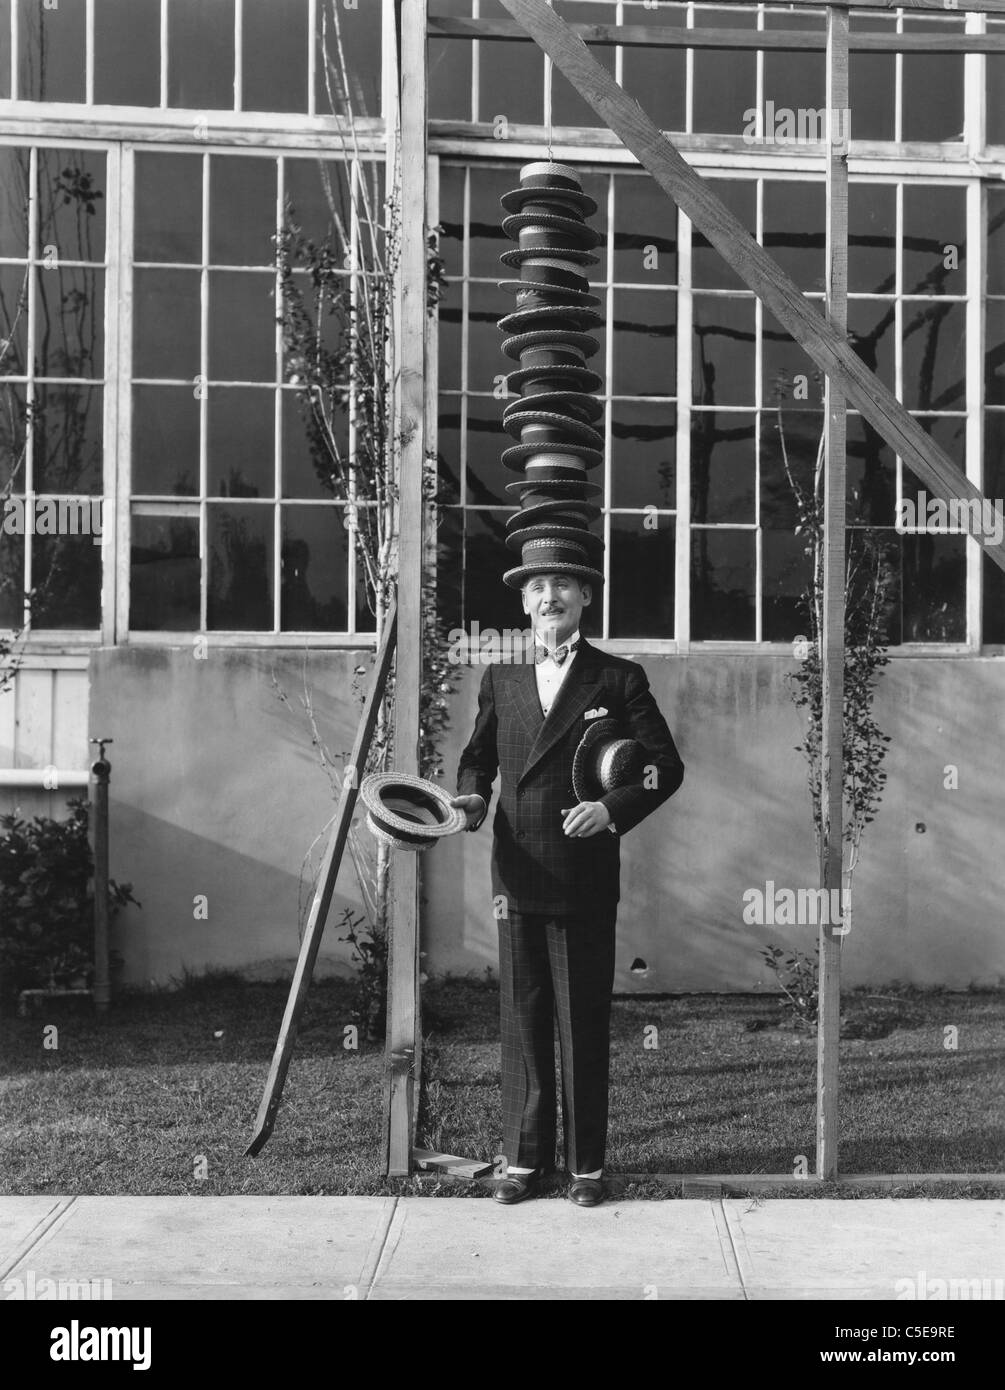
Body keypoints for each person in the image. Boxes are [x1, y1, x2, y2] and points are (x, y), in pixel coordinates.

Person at [451, 570, 685, 1206]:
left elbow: (665, 768)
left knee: (581, 1019)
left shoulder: (619, 678)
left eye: (563, 586)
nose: (548, 597)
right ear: (522, 601)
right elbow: (480, 759)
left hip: (583, 875)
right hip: (518, 873)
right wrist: (471, 798)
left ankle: (585, 1166)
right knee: (523, 1019)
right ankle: (525, 1162)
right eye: (535, 588)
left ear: (585, 598)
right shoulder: (499, 679)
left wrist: (611, 810)